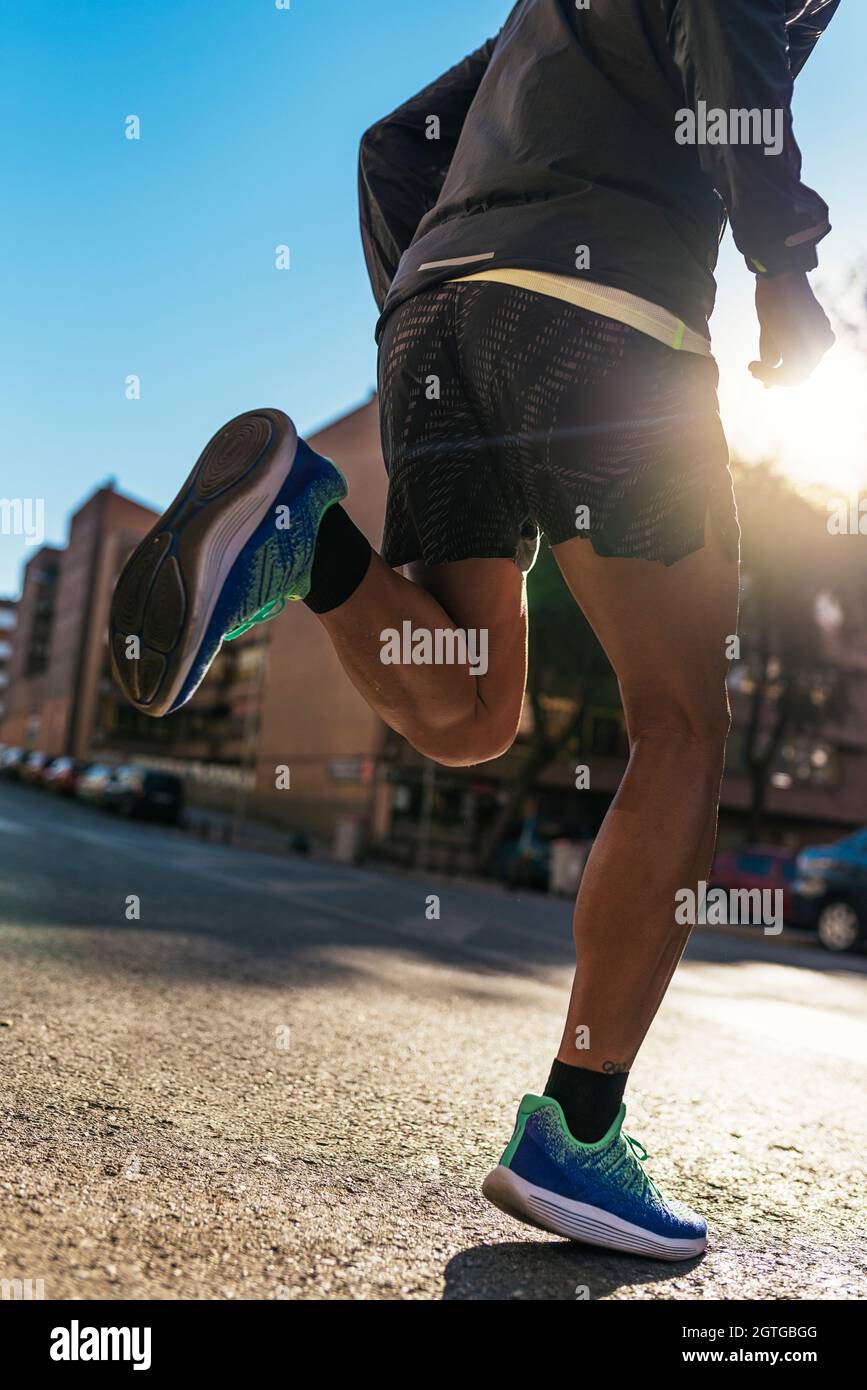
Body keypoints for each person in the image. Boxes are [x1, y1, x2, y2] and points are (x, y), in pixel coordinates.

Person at [110, 0, 839, 1259]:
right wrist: (785, 265)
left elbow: (393, 147)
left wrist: (430, 305)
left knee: (469, 707)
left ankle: (309, 534)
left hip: (435, 315)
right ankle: (579, 1130)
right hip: (605, 314)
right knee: (678, 723)